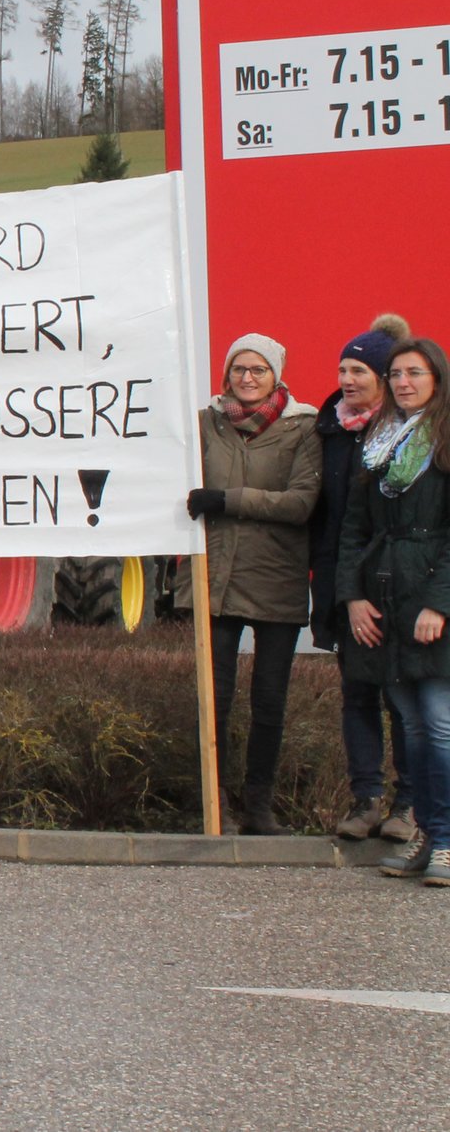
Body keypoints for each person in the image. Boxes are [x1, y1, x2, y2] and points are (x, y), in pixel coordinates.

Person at [187, 332, 321, 835]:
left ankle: (259, 807)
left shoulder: (302, 428)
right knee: (214, 698)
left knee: (268, 701)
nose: (247, 378)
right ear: (227, 376)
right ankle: (214, 800)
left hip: (277, 578)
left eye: (258, 370)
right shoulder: (206, 423)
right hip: (217, 578)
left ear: (276, 376)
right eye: (239, 369)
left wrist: (227, 500)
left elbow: (300, 501)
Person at [337, 338, 450, 884]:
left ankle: (448, 842)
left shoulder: (444, 438)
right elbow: (355, 530)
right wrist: (352, 595)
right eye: (397, 373)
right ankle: (427, 839)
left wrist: (438, 604)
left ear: (436, 378)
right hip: (383, 598)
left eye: (415, 373)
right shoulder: (378, 443)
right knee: (410, 726)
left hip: (430, 601)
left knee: (440, 726)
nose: (404, 382)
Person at [312, 315, 416, 842]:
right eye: (342, 368)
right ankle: (367, 799)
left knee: (402, 698)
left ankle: (409, 806)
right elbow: (330, 518)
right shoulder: (329, 428)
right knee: (357, 695)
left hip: (393, 586)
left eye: (358, 370)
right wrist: (337, 592)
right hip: (341, 583)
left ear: (383, 377)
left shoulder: (404, 434)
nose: (347, 379)